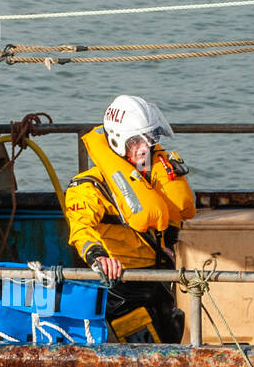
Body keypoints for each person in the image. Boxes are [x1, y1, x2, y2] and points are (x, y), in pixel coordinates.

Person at [65, 95, 195, 343]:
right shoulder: (88, 188)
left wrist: (168, 240)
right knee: (144, 349)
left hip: (161, 281)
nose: (143, 147)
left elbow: (171, 212)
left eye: (148, 138)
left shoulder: (154, 175)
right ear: (116, 140)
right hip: (121, 286)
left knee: (172, 335)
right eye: (134, 141)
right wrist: (98, 256)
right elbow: (81, 229)